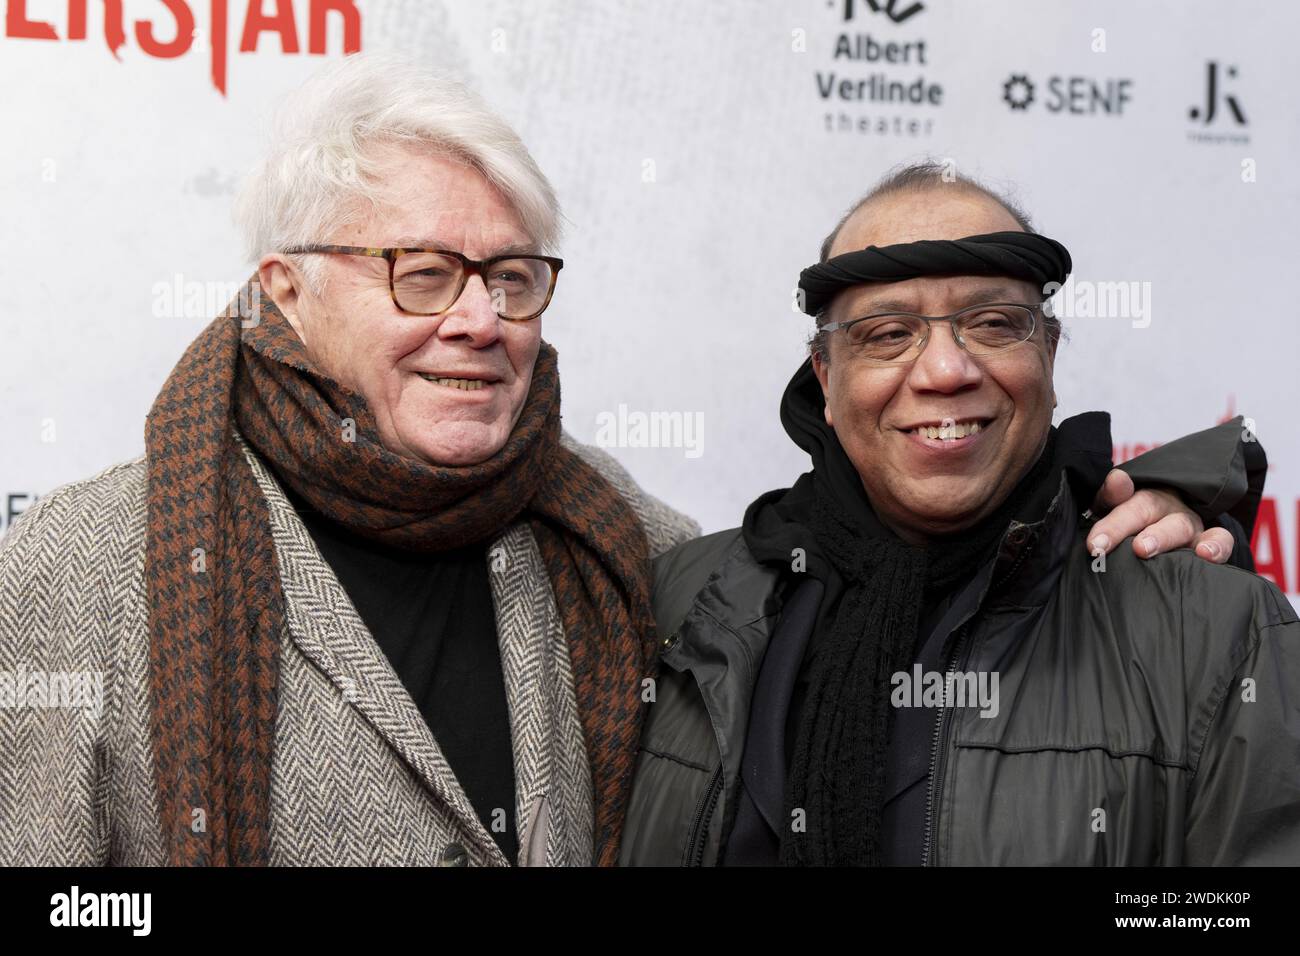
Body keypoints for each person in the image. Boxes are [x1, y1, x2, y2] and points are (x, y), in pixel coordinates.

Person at [0, 60, 1242, 868]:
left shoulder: (628, 547)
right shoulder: (81, 566)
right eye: (421, 274)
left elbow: (928, 541)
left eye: (511, 277)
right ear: (283, 292)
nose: (478, 319)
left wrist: (1160, 495)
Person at [619, 163, 1296, 866]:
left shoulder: (1216, 631)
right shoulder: (672, 602)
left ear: (1050, 354)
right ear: (825, 376)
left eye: (994, 323)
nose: (945, 370)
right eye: (887, 334)